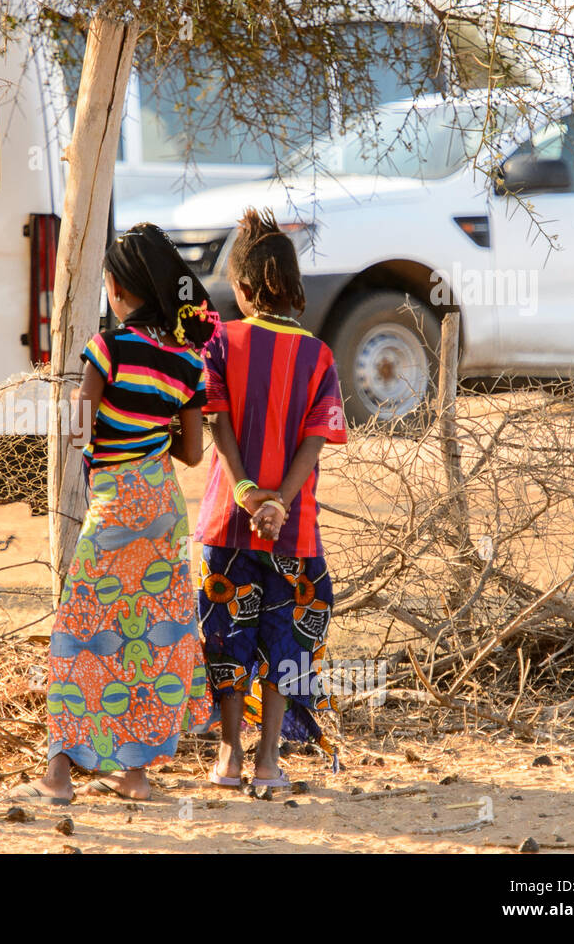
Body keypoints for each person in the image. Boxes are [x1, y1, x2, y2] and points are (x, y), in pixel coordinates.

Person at [8, 223, 215, 804]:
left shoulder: (109, 347)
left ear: (119, 290)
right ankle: (136, 774)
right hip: (164, 508)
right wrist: (152, 434)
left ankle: (58, 775)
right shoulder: (188, 361)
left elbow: (76, 429)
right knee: (148, 638)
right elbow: (194, 452)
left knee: (77, 633)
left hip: (115, 505)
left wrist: (96, 425)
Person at [195, 208, 348, 791]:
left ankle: (228, 759)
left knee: (226, 635)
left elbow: (217, 419)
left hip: (227, 526)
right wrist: (280, 500)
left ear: (243, 287)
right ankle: (269, 764)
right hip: (295, 528)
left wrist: (243, 490)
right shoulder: (319, 356)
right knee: (288, 642)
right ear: (292, 285)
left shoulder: (221, 342)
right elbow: (315, 439)